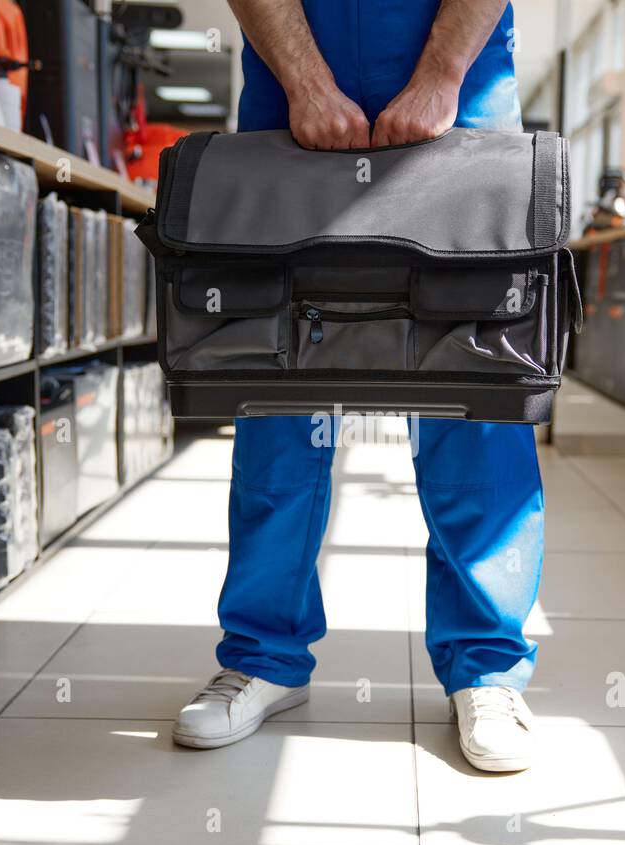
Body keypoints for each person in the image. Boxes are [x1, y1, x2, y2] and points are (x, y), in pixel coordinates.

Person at [172, 0, 543, 772]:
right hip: (290, 63)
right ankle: (264, 655)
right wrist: (305, 79)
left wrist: (442, 77)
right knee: (274, 373)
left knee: (473, 376)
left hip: (461, 68)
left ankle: (486, 666)